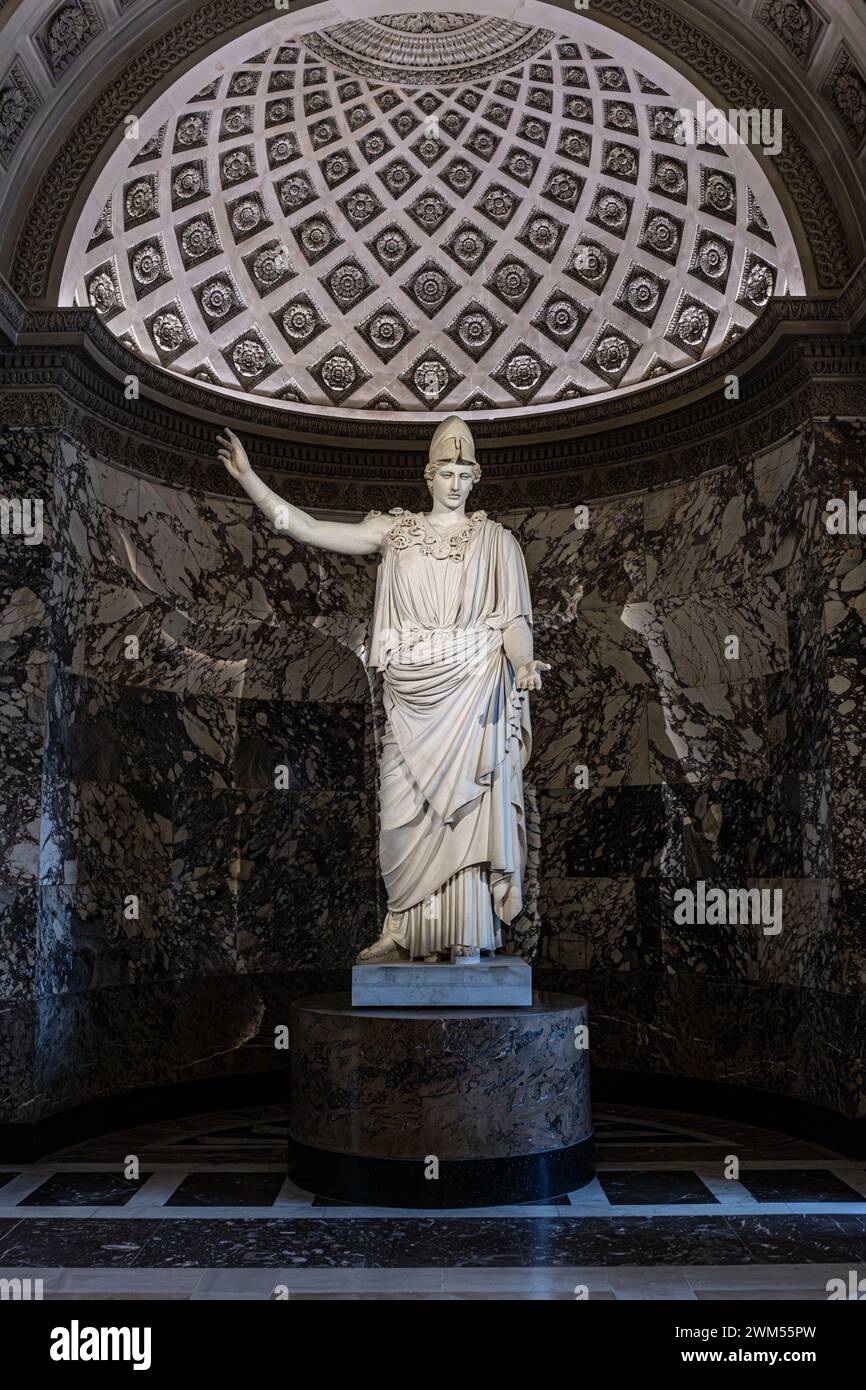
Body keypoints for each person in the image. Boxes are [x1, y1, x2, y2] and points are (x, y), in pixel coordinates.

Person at [217, 416, 549, 964]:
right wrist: (251, 478)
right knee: (402, 816)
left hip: (472, 688)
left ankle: (464, 932)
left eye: (464, 471)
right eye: (445, 470)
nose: (454, 481)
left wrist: (525, 663)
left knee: (463, 811)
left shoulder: (498, 542)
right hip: (409, 691)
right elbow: (299, 525)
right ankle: (402, 929)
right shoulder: (396, 531)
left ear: (476, 478)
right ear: (428, 475)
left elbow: (513, 619)